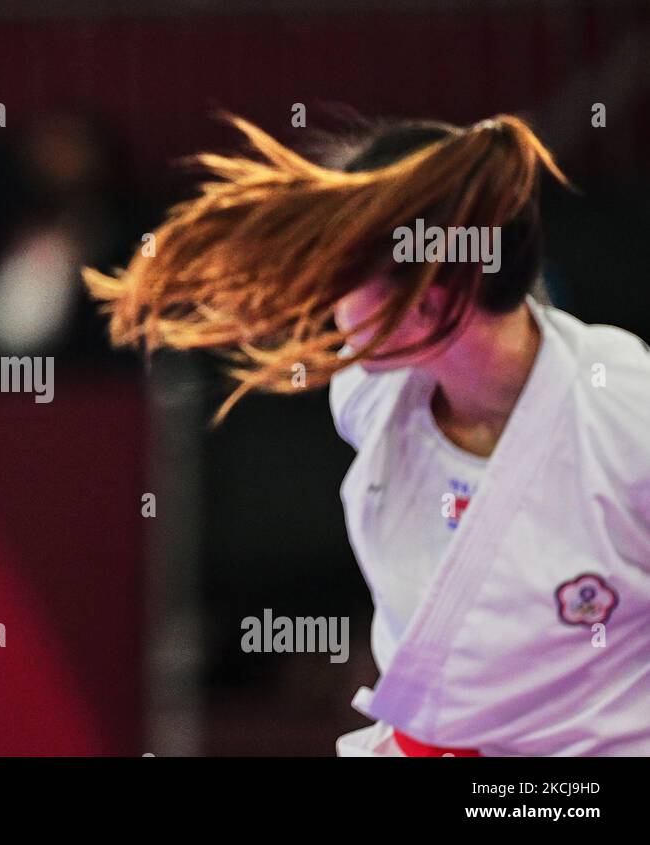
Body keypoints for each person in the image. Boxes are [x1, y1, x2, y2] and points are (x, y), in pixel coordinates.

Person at [85, 115, 650, 755]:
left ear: (430, 300)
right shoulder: (372, 392)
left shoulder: (626, 415)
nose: (332, 302)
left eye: (348, 277)